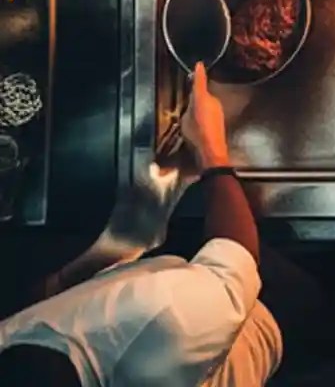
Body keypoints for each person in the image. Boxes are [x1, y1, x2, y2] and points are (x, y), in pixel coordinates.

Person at [0, 62, 282, 386]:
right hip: (255, 321)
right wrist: (210, 148)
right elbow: (238, 256)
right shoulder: (162, 321)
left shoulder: (20, 357)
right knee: (305, 303)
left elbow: (28, 322)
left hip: (167, 285)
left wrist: (63, 283)